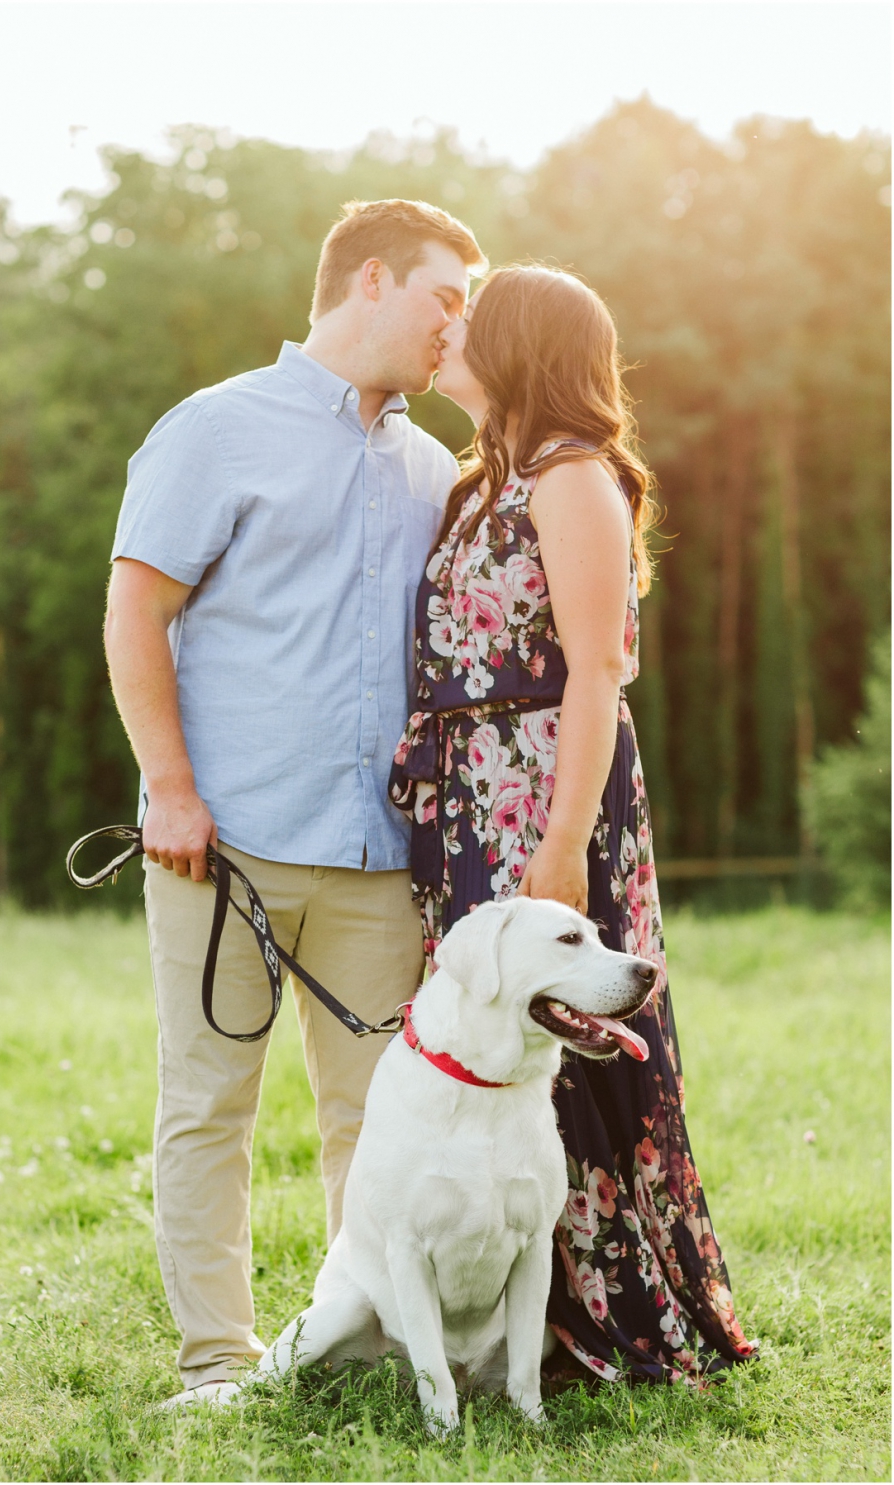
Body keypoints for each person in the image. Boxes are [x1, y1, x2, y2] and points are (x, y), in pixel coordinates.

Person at [104, 198, 487, 1406]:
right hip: (226, 847)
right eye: (444, 298)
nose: (455, 329)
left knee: (374, 1121)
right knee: (210, 1105)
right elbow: (135, 612)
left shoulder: (430, 466)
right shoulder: (215, 429)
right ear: (369, 281)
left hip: (380, 861)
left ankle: (350, 1346)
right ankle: (217, 1360)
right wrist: (169, 789)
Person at [390, 264, 757, 1385]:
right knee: (491, 1034)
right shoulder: (479, 482)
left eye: (471, 320)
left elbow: (596, 668)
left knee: (571, 1033)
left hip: (547, 791)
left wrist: (559, 845)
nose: (447, 331)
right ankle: (509, 1317)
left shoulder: (571, 477)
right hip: (468, 797)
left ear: (519, 349)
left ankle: (604, 1312)